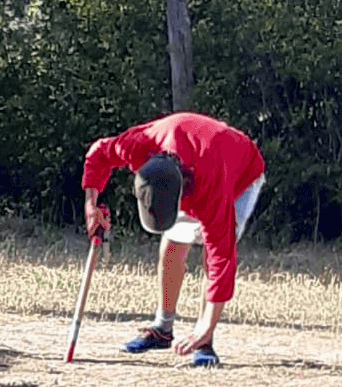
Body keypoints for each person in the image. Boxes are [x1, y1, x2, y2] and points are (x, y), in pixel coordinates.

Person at [81, 111, 265, 367]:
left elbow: (221, 259)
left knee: (208, 254)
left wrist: (203, 329)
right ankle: (163, 329)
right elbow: (98, 154)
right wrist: (91, 205)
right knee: (172, 244)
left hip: (240, 175)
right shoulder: (137, 146)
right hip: (187, 159)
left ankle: (204, 340)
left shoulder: (210, 188)